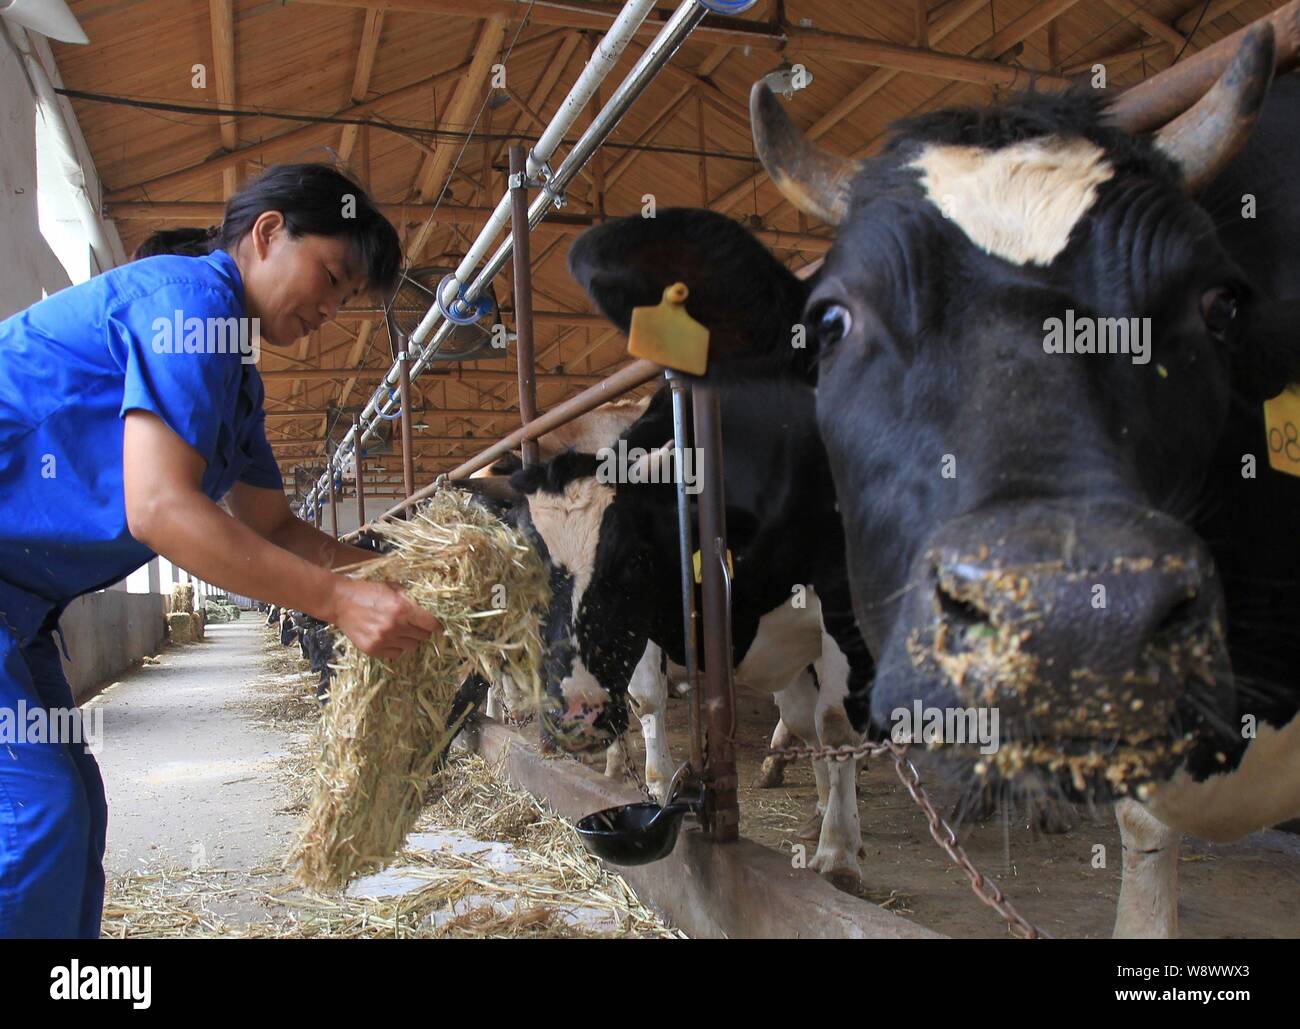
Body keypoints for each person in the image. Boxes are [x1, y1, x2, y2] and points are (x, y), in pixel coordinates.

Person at [0, 163, 441, 938]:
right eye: (330, 275)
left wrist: (406, 578)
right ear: (268, 233)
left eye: (346, 296)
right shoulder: (188, 300)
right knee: (35, 818)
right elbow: (162, 507)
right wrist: (337, 601)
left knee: (76, 803)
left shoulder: (236, 379)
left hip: (20, 605)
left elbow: (273, 526)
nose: (332, 309)